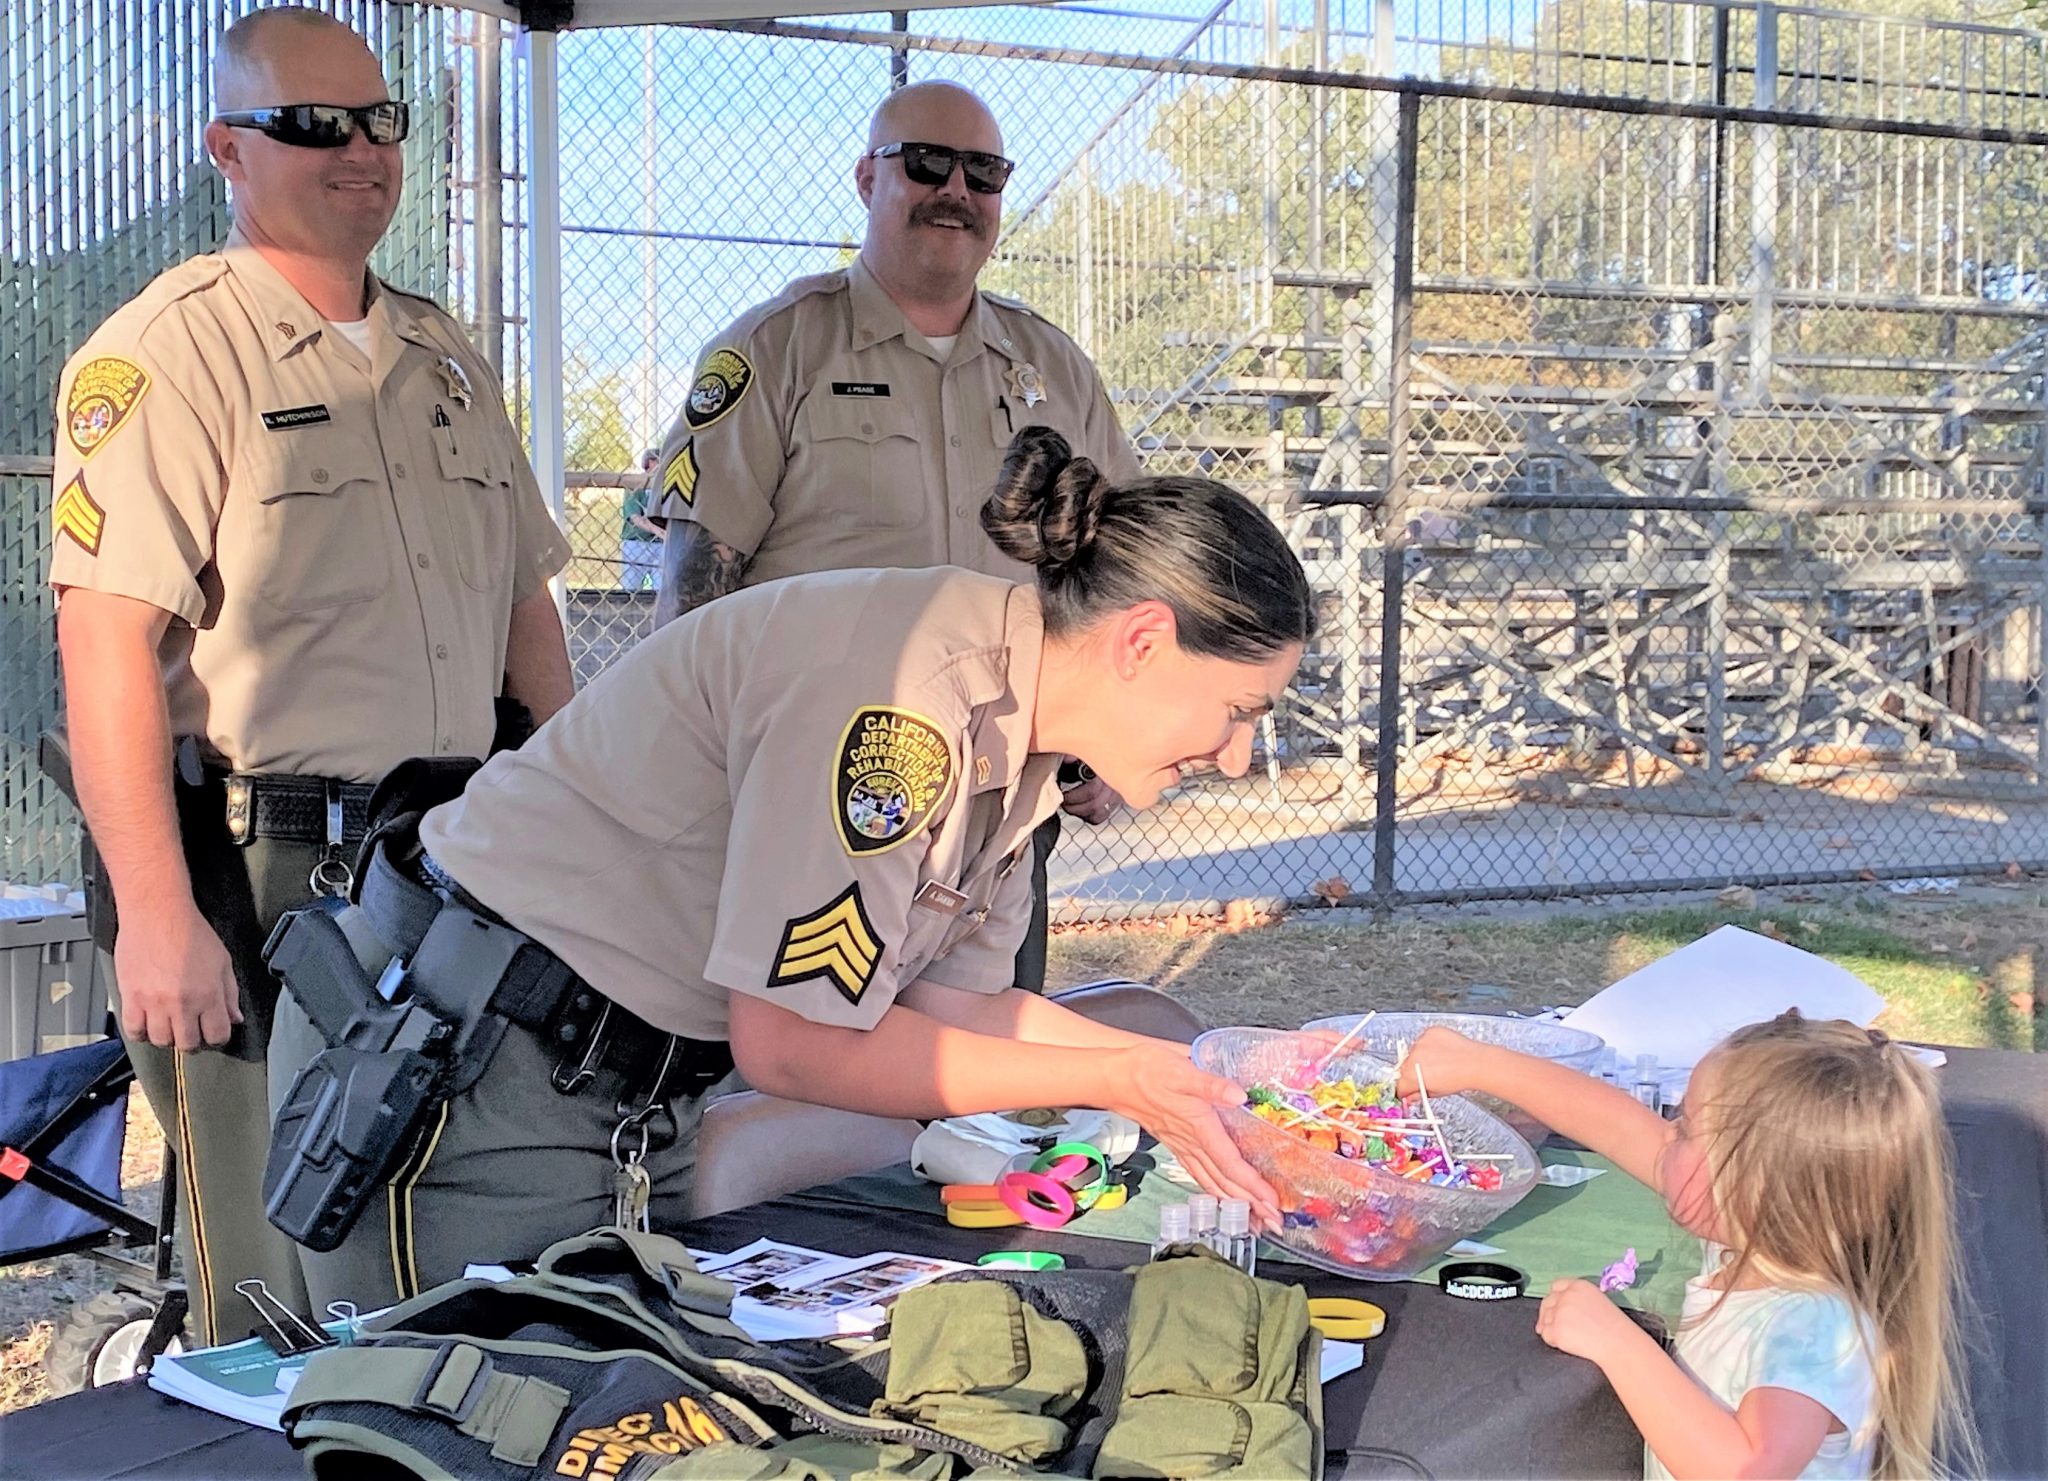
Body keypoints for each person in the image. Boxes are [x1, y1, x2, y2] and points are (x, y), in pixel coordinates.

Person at [269, 426, 1313, 1309]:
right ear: (1140, 640)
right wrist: (1115, 1075)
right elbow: (796, 1042)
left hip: (618, 1091)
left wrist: (1191, 1079)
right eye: (1236, 711)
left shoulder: (1018, 733)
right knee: (455, 1417)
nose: (1231, 754)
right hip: (462, 1079)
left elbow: (955, 1008)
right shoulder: (904, 698)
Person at [50, 7, 573, 1345]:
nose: (360, 151)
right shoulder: (168, 351)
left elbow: (527, 615)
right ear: (228, 148)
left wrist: (584, 835)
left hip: (452, 853)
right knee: (271, 1277)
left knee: (444, 1232)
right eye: (312, 125)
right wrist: (162, 917)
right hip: (263, 879)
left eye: (380, 120)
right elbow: (104, 643)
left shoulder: (445, 354)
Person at [647, 80, 1136, 992]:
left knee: (976, 1099)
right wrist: (694, 779)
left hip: (1001, 804)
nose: (956, 187)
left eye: (983, 172)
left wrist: (1109, 736)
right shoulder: (778, 348)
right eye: (926, 163)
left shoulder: (1055, 368)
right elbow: (694, 588)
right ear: (869, 176)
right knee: (803, 1077)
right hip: (819, 795)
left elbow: (1123, 567)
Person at [1397, 1012, 1974, 1480]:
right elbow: (1619, 1126)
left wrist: (1617, 1344)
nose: (1664, 1131)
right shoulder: (1750, 1246)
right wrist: (1480, 1063)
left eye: (1686, 1128)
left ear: (1757, 1185)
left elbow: (1747, 1470)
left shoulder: (1814, 1323)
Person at [619, 448, 664, 593]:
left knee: (661, 589)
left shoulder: (665, 485)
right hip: (636, 543)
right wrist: (659, 531)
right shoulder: (636, 483)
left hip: (659, 543)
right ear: (650, 463)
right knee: (631, 588)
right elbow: (634, 517)